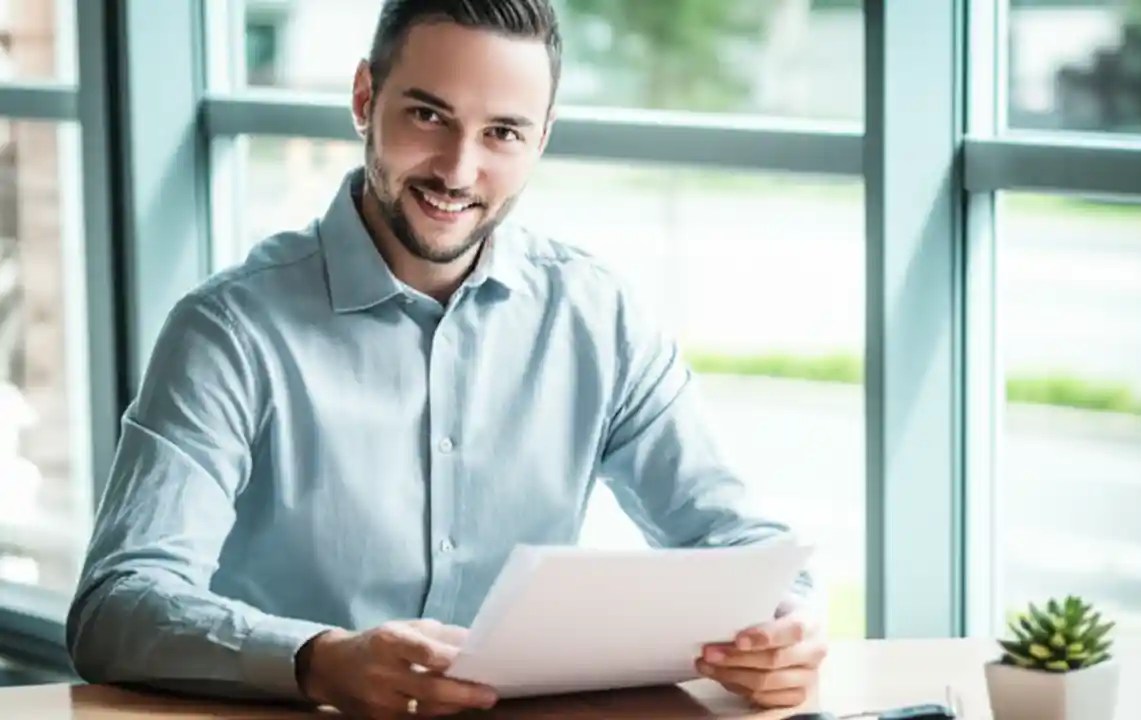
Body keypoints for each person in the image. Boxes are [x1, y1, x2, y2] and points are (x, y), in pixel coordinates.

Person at [66, 1, 827, 717]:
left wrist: (789, 624)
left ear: (543, 137)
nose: (458, 171)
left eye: (503, 132)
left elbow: (744, 545)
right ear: (366, 97)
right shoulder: (228, 330)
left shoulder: (598, 318)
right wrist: (319, 659)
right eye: (429, 115)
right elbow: (116, 604)